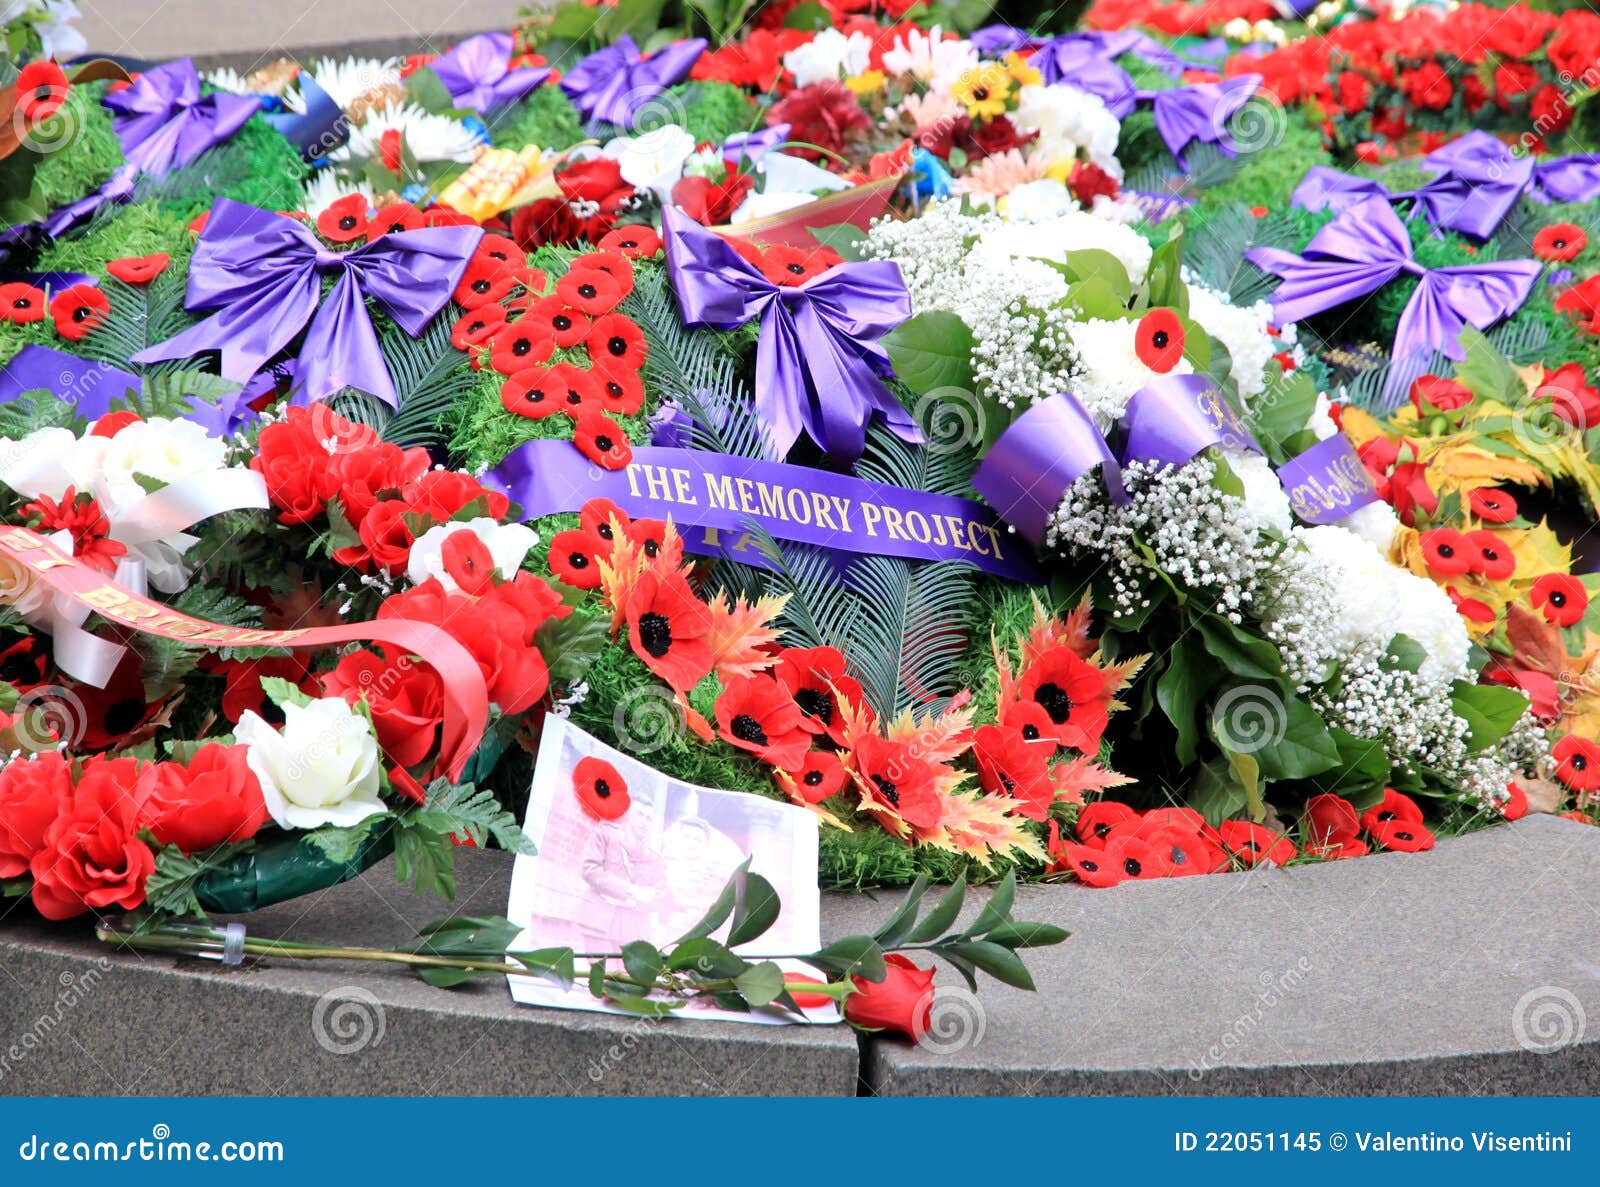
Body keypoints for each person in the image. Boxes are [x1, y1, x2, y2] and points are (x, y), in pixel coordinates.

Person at [576, 808, 665, 953]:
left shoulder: (654, 856)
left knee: (623, 976)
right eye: (640, 813)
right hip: (599, 923)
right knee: (599, 973)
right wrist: (630, 890)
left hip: (634, 933)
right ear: (629, 815)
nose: (644, 822)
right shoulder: (604, 834)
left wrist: (639, 901)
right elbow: (589, 869)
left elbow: (661, 896)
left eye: (649, 819)